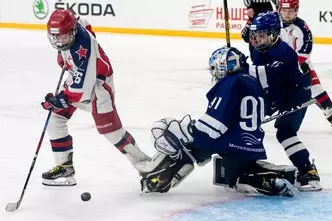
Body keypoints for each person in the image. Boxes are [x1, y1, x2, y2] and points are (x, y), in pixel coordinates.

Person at [139, 46, 298, 197]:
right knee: (235, 177)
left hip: (229, 141)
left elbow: (214, 126)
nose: (214, 73)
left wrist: (191, 135)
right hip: (252, 144)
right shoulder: (252, 81)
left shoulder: (229, 83)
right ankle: (270, 179)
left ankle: (157, 180)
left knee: (186, 147)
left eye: (214, 69)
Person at [41, 9, 151, 186]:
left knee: (112, 132)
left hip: (98, 88)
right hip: (79, 80)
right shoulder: (74, 28)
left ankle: (147, 166)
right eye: (56, 37)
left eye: (63, 37)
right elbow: (82, 20)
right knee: (55, 118)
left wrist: (60, 99)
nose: (59, 41)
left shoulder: (82, 48)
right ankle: (65, 167)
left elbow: (82, 89)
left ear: (73, 32)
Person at [248, 11, 322, 191]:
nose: (257, 40)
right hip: (279, 94)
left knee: (285, 131)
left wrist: (237, 66)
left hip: (296, 95)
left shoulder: (284, 53)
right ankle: (244, 160)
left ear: (274, 35)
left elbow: (264, 75)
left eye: (262, 35)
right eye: (254, 35)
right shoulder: (261, 48)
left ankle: (308, 172)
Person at [279, 0, 332, 126]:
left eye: (290, 11)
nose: (287, 14)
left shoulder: (302, 28)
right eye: (284, 11)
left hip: (298, 66)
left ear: (296, 10)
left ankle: (329, 111)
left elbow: (303, 55)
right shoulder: (274, 23)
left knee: (315, 87)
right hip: (277, 65)